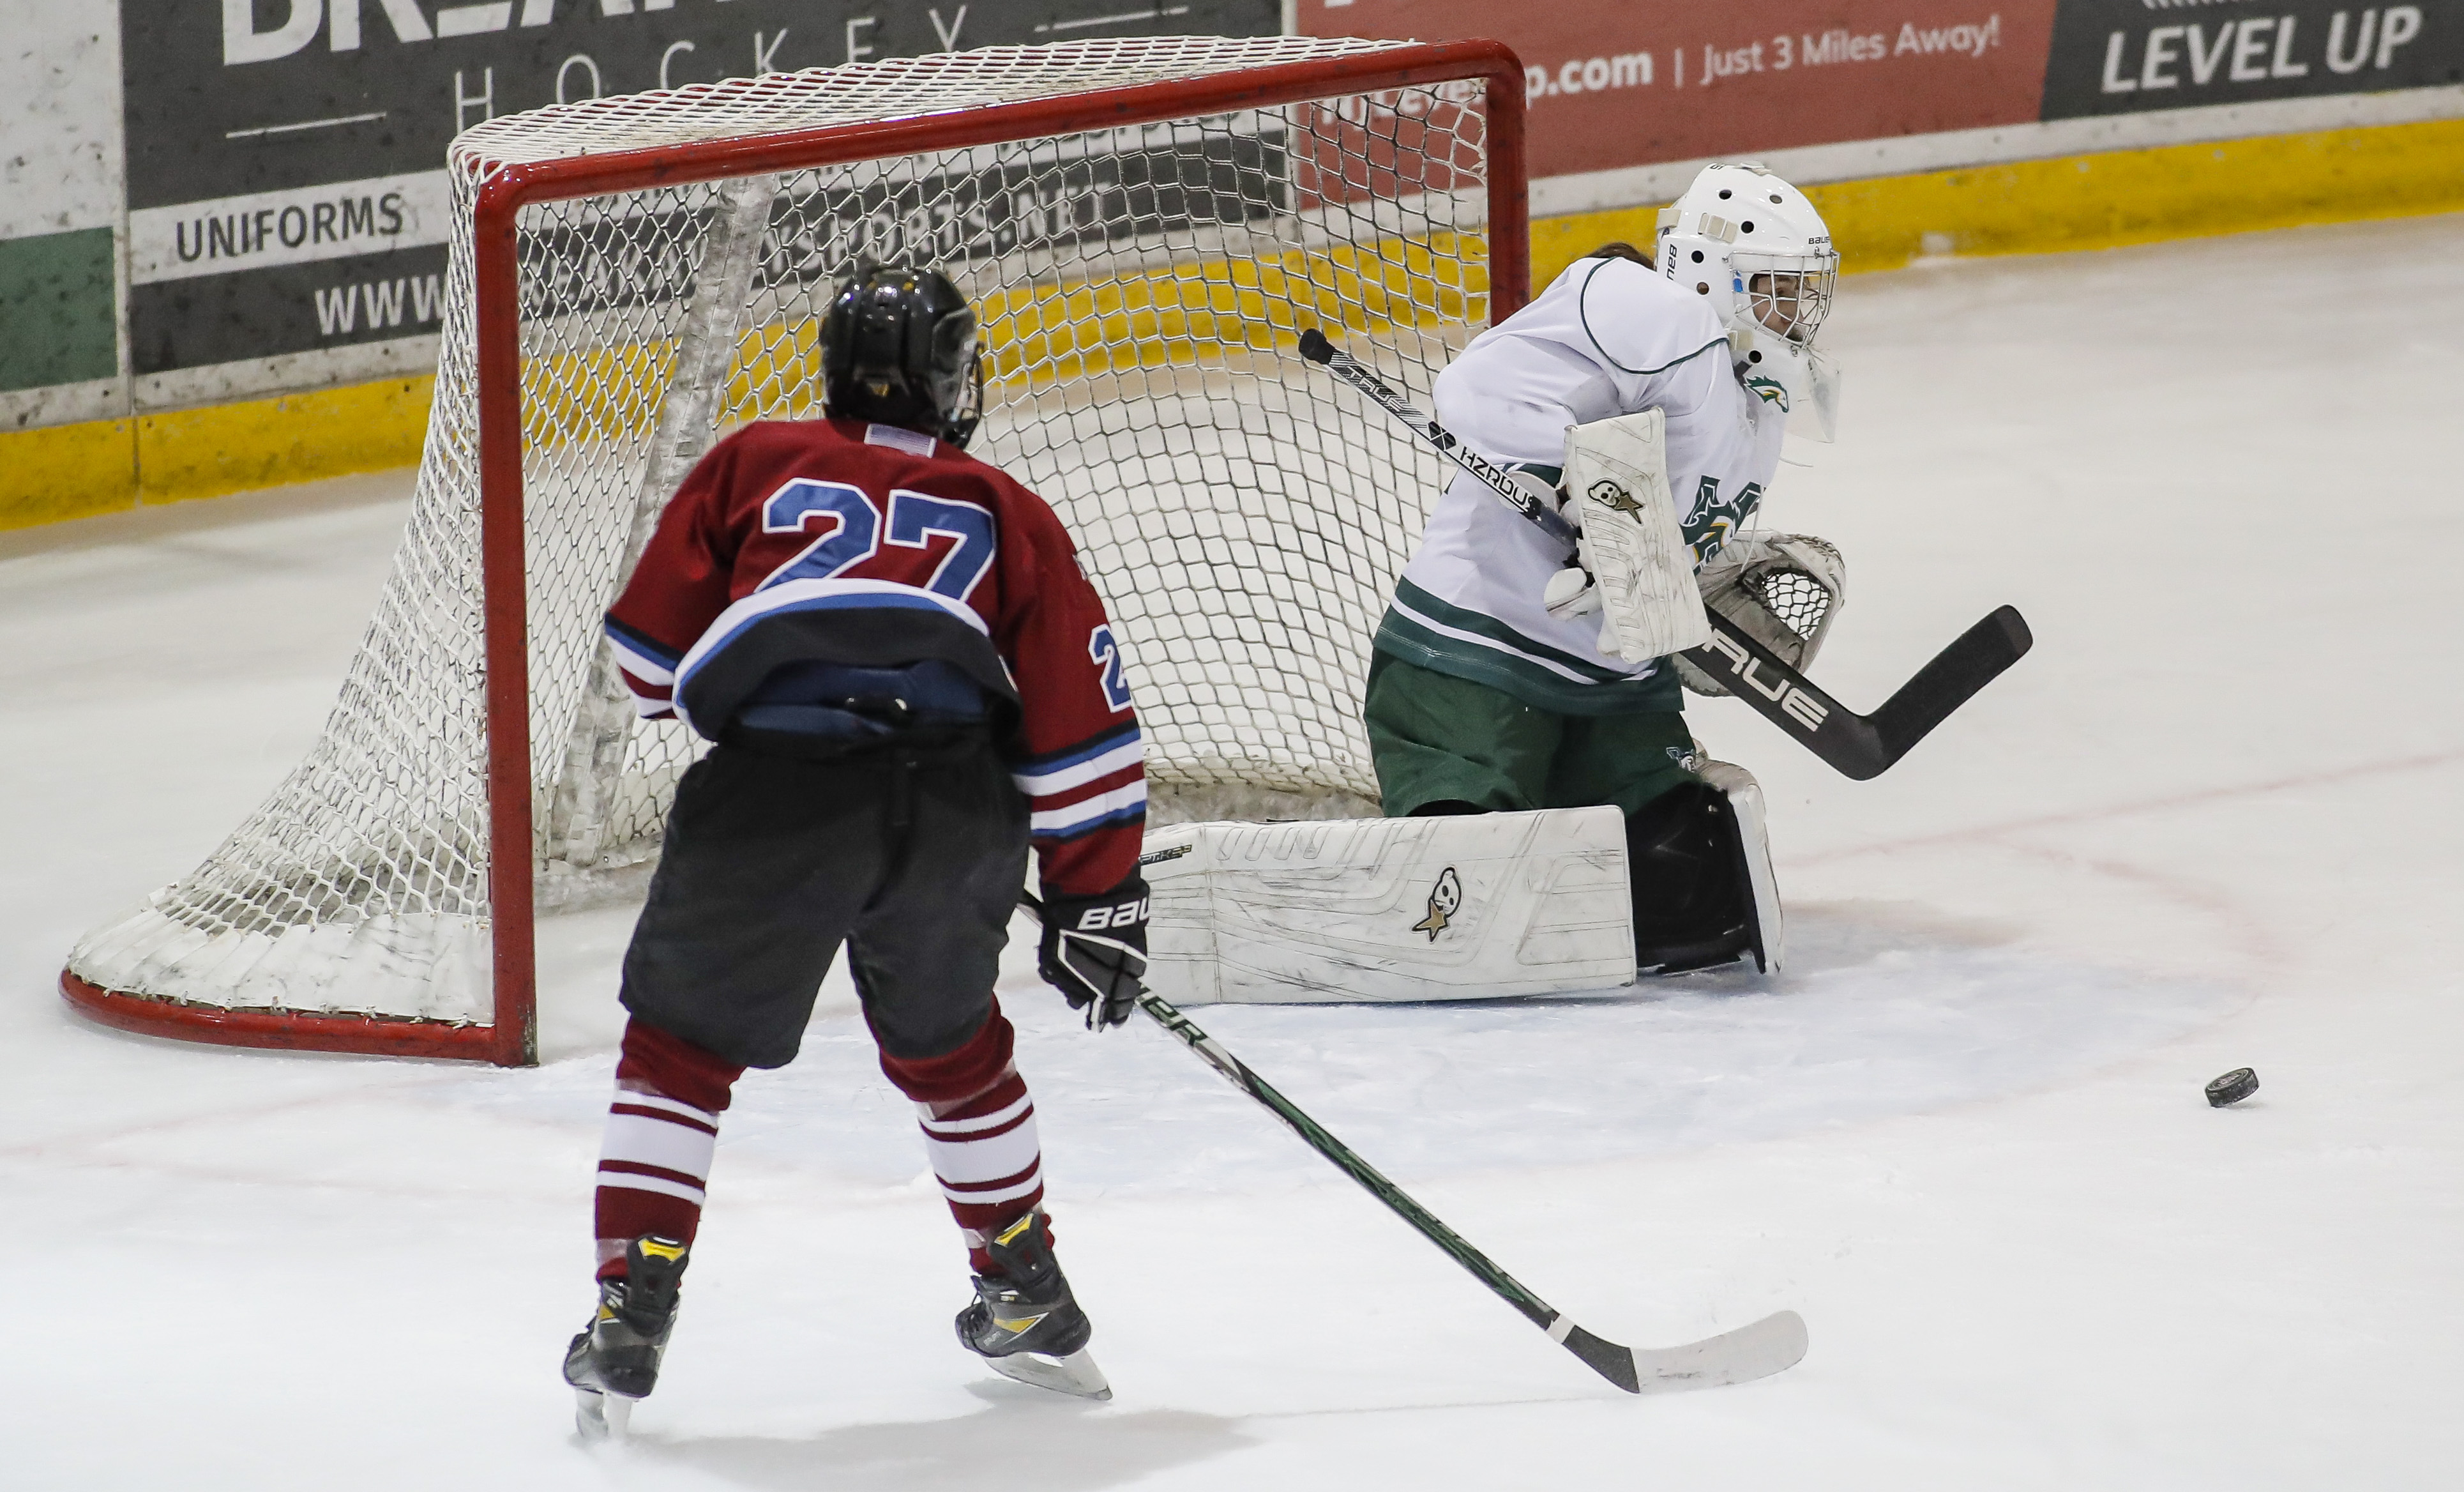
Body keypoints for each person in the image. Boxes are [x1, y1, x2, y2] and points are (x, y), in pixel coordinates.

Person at [561, 264, 1152, 1432]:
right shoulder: (1003, 505)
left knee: (678, 1053)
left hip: (774, 793)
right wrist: (1097, 895)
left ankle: (631, 1311)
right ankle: (1026, 1293)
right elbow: (1080, 731)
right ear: (953, 379)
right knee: (956, 1052)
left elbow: (645, 669)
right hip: (955, 803)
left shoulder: (751, 461)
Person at [1364, 162, 1845, 975]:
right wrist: (1562, 480)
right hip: (1479, 650)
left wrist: (1700, 582)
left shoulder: (1759, 408)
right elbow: (1476, 388)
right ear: (1709, 270)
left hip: (1614, 679)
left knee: (1685, 880)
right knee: (1462, 873)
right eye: (1776, 288)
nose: (1795, 314)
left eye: (1804, 292)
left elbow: (1672, 524)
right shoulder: (1653, 314)